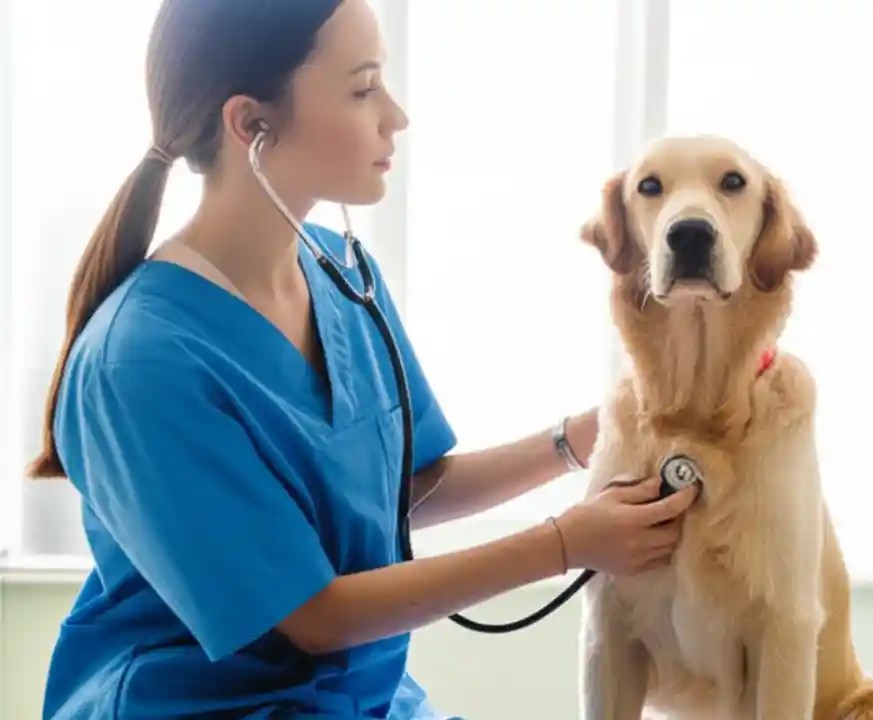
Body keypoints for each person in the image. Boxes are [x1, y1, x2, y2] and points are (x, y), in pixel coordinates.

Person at [29, 1, 698, 717]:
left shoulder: (347, 281)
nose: (396, 116)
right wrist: (568, 543)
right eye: (362, 88)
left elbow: (402, 489)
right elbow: (317, 617)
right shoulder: (141, 364)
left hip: (364, 703)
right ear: (251, 124)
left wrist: (579, 439)